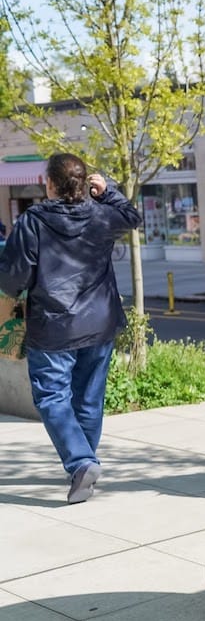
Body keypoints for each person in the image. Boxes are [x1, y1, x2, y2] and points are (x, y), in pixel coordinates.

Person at [0, 154, 141, 504]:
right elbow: (131, 217)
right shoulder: (102, 214)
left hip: (54, 326)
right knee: (88, 399)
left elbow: (12, 277)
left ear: (49, 183)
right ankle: (83, 467)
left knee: (52, 397)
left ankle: (81, 463)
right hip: (100, 322)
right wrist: (108, 192)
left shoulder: (33, 221)